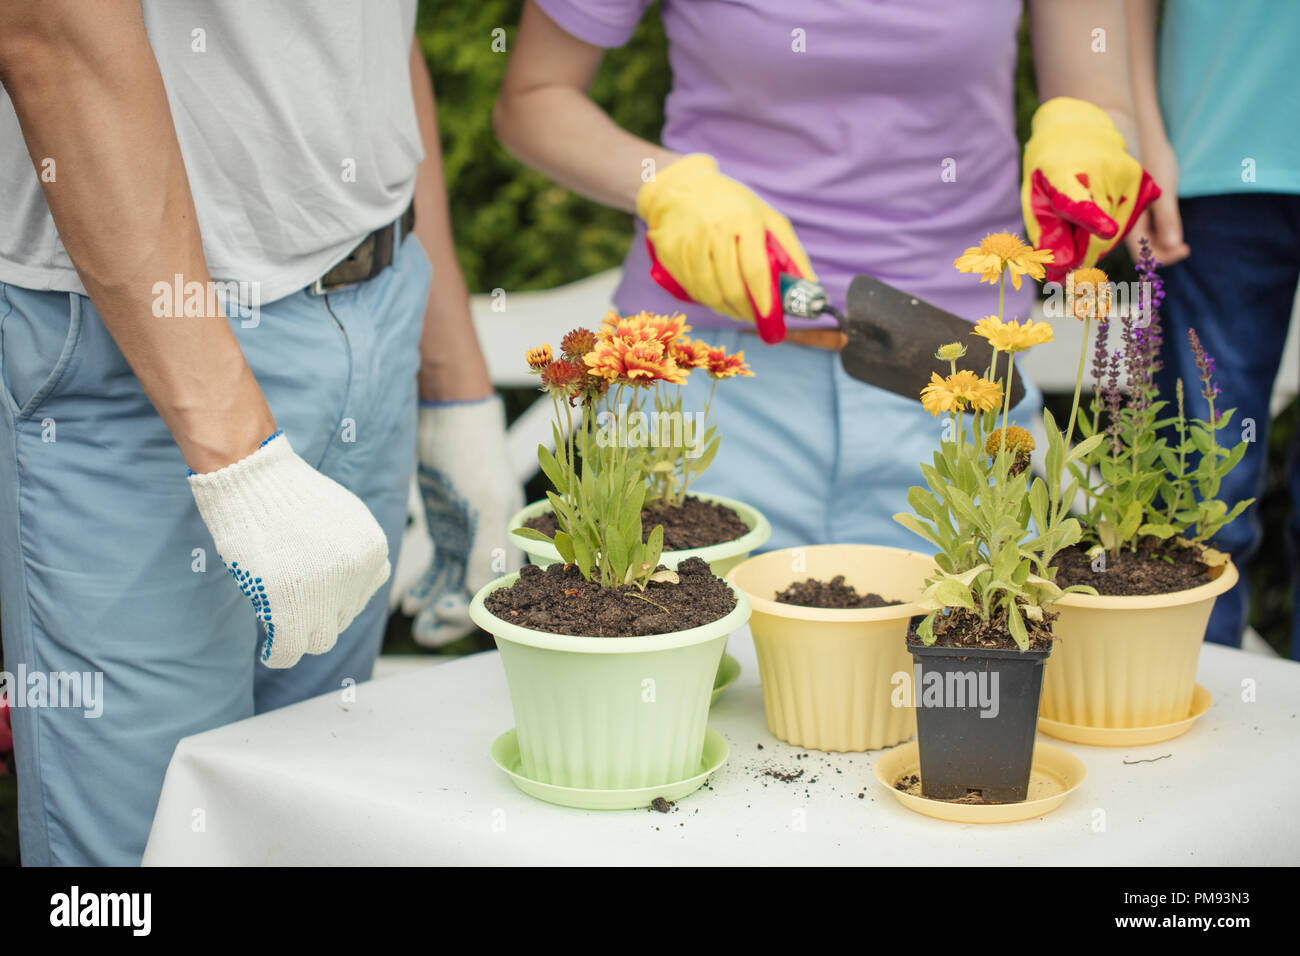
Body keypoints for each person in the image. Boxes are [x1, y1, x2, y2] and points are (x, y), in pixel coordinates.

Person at [0, 0, 517, 865]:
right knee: (150, 861)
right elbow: (49, 28)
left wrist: (452, 377)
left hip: (378, 302)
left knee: (311, 826)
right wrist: (243, 463)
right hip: (142, 348)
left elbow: (375, 42)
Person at [494, 0, 1155, 554]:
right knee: (671, 699)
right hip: (697, 389)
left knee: (953, 695)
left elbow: (1099, 95)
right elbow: (534, 97)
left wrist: (1092, 132)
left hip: (953, 383)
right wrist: (666, 185)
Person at [1125, 0, 1299, 657]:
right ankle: (1188, 735)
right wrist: (1141, 134)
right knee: (1198, 498)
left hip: (1212, 157)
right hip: (1213, 151)